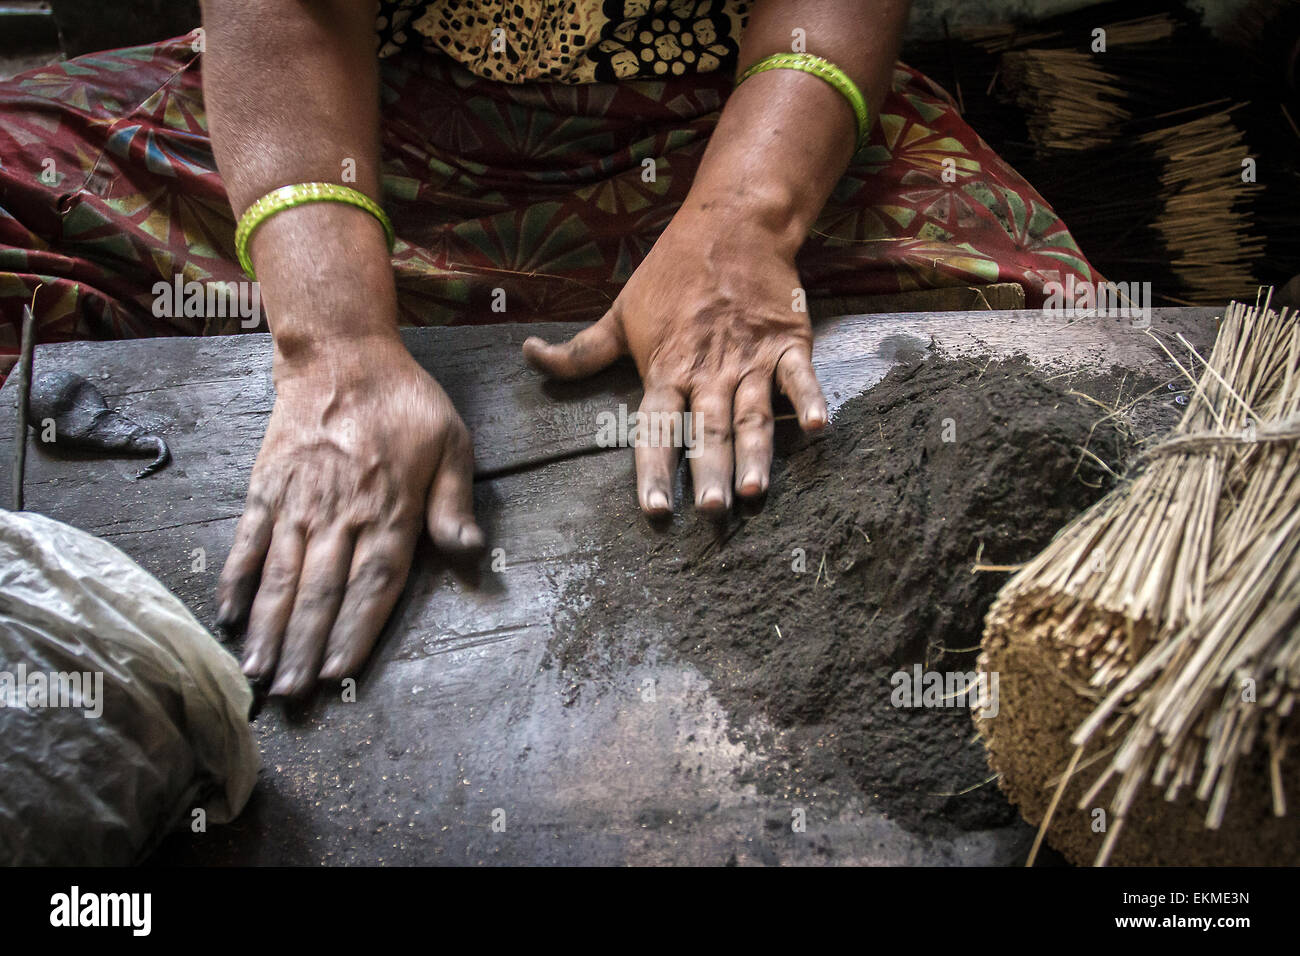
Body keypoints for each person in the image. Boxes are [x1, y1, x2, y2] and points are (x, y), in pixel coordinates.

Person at [0, 0, 1100, 696]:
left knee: (1070, 340)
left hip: (733, 112)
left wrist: (744, 221)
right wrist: (331, 338)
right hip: (364, 127)